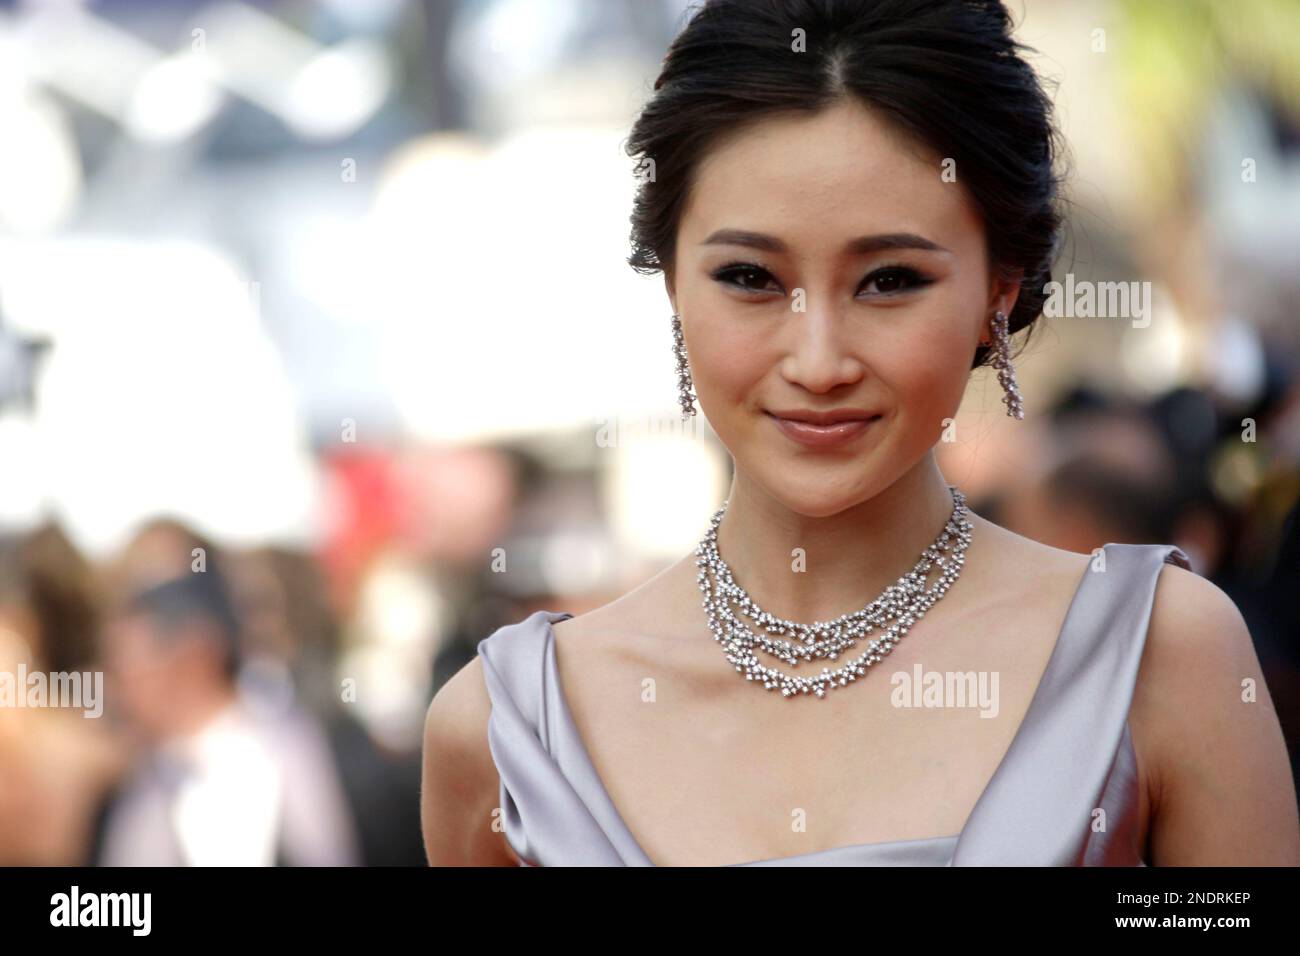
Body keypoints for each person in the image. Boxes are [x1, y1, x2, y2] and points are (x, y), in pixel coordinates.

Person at [420, 0, 1300, 866]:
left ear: (1000, 287)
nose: (818, 359)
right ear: (673, 288)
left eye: (888, 279)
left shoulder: (1162, 655)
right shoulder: (508, 732)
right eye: (749, 276)